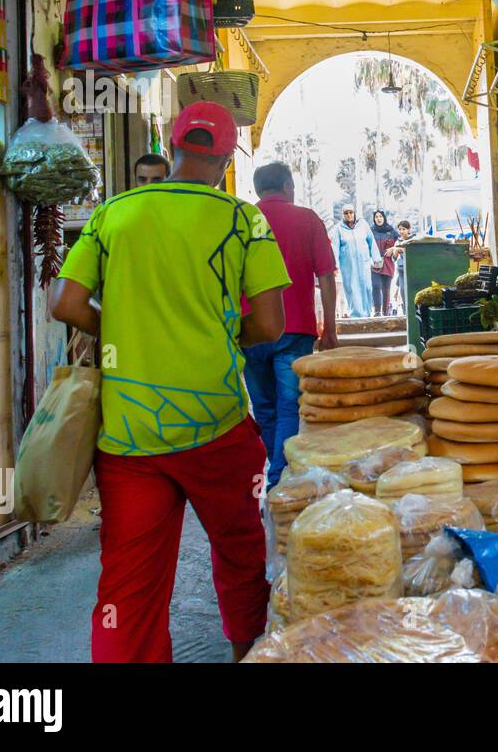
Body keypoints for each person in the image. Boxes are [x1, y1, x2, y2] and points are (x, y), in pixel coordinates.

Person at [51, 101, 290, 663]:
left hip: (129, 434)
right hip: (217, 425)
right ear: (226, 158)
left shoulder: (114, 212)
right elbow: (271, 324)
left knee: (126, 586)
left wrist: (121, 327)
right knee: (240, 554)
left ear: (174, 147)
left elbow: (64, 302)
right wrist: (220, 335)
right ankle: (248, 654)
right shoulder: (242, 218)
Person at [243, 161, 339, 487]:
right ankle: (279, 480)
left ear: (258, 189)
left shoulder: (242, 220)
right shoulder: (308, 219)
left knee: (265, 408)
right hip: (294, 330)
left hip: (250, 331)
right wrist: (331, 330)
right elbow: (325, 276)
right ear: (287, 186)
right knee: (288, 407)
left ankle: (278, 474)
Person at [335, 205, 380, 318]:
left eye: (351, 212)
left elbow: (371, 242)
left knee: (367, 287)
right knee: (352, 289)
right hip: (348, 265)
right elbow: (335, 248)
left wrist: (376, 259)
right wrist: (335, 265)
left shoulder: (363, 225)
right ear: (343, 215)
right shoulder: (338, 229)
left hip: (364, 263)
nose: (349, 215)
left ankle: (367, 313)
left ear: (354, 213)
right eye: (346, 213)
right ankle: (356, 315)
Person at [370, 209, 399, 317]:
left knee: (386, 289)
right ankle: (377, 312)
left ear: (384, 218)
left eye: (380, 216)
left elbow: (399, 244)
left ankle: (385, 312)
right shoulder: (371, 231)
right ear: (374, 219)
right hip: (375, 263)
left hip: (388, 263)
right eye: (376, 217)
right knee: (376, 286)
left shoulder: (392, 231)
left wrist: (393, 249)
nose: (378, 218)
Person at [389, 219, 413, 312]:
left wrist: (401, 249)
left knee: (410, 291)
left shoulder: (413, 240)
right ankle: (405, 312)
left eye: (404, 229)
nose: (401, 231)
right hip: (401, 269)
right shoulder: (397, 242)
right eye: (400, 229)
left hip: (411, 269)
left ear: (409, 229)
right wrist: (395, 251)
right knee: (402, 291)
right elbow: (394, 258)